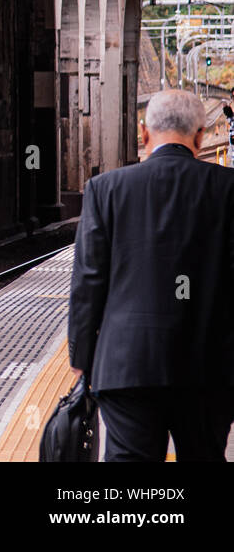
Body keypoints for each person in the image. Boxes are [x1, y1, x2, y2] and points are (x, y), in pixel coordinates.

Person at [69, 89, 234, 461]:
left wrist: (82, 354)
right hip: (209, 367)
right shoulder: (227, 189)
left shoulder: (105, 190)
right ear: (200, 136)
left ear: (144, 133)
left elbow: (88, 281)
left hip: (128, 364)